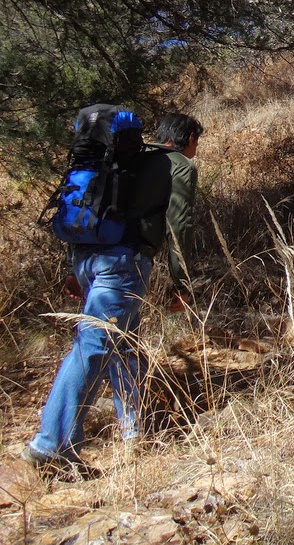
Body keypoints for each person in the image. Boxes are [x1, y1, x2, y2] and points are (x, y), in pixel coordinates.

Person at [22, 112, 202, 475]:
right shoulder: (177, 165)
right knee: (93, 346)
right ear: (187, 139)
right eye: (197, 140)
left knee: (125, 345)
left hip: (85, 257)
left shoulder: (114, 158)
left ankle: (134, 431)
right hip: (121, 265)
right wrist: (182, 282)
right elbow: (178, 224)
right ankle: (51, 443)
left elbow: (87, 206)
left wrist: (74, 269)